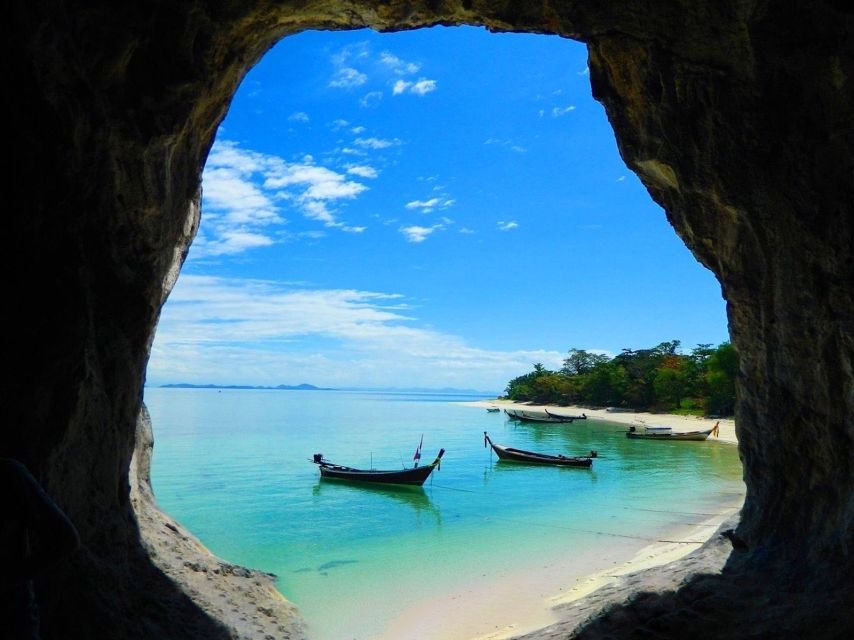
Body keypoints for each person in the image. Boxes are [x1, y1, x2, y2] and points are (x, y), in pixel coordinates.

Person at [1, 458, 80, 640]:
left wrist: (8, 578)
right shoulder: (11, 474)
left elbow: (66, 539)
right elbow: (66, 539)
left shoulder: (10, 475)